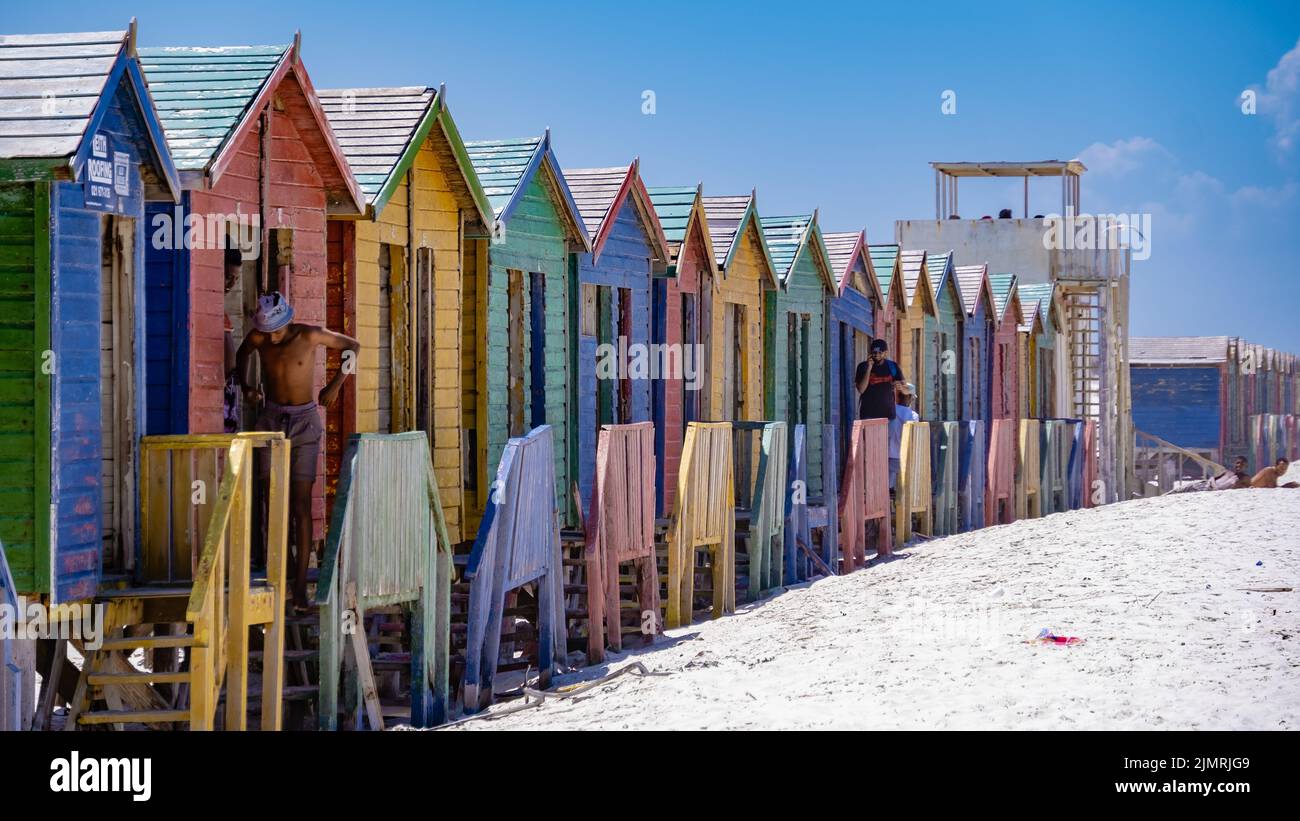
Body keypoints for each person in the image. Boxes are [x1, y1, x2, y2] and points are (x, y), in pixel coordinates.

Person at [237, 292, 361, 609]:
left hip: (305, 421)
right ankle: (273, 571)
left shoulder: (310, 334)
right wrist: (247, 386)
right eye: (268, 331)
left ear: (288, 321)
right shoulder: (259, 337)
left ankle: (302, 584)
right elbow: (241, 355)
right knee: (267, 496)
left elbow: (353, 346)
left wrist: (335, 385)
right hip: (270, 418)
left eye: (276, 330)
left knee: (301, 503)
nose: (272, 336)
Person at [855, 338, 905, 421]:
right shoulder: (862, 366)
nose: (877, 355)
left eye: (880, 352)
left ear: (885, 353)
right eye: (874, 353)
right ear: (870, 353)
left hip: (888, 415)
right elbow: (861, 390)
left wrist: (901, 387)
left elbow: (904, 387)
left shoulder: (892, 366)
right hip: (868, 415)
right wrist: (869, 368)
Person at [223, 247, 243, 433]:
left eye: (236, 279)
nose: (231, 284)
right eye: (228, 276)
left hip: (227, 395)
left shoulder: (221, 313)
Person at [888, 383, 920, 489]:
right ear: (909, 397)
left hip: (887, 455)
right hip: (904, 457)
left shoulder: (889, 410)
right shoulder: (913, 416)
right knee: (903, 490)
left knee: (888, 489)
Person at [1165, 456, 1250, 494]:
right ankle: (1164, 496)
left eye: (1242, 464)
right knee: (1181, 489)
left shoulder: (1244, 478)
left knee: (1184, 493)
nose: (1239, 465)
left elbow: (1249, 486)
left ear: (1246, 466)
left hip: (1210, 491)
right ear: (1235, 463)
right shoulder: (1228, 472)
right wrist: (1211, 483)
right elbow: (1214, 478)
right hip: (1205, 484)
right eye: (1238, 463)